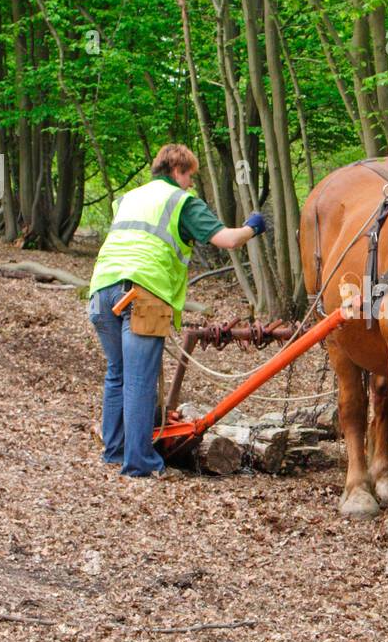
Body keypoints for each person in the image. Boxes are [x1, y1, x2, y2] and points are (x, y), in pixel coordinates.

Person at [88, 144, 267, 478]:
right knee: (140, 379)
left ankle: (114, 452)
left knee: (118, 372)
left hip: (101, 290)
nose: (191, 184)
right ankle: (139, 463)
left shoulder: (129, 198)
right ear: (177, 171)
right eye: (189, 177)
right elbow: (227, 240)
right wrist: (253, 226)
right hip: (144, 293)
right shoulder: (180, 202)